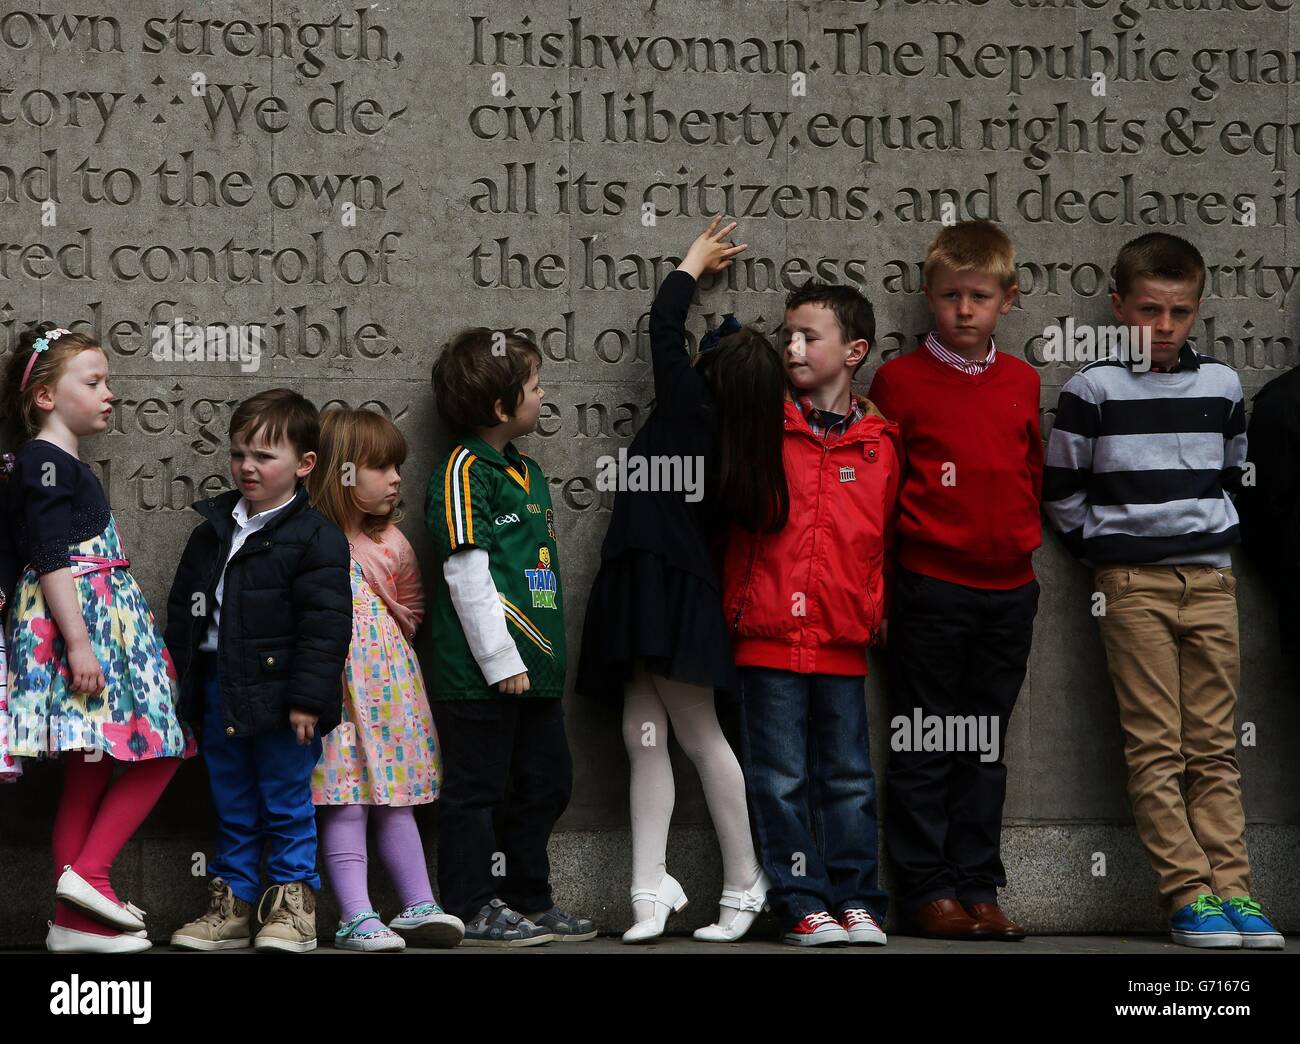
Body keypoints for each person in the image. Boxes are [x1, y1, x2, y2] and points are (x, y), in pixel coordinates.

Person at [1043, 232, 1283, 949]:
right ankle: (1186, 896)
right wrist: (1108, 554)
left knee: (1214, 745)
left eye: (1179, 312)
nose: (1164, 327)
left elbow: (1235, 470)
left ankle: (1234, 888)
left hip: (1210, 579)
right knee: (1157, 744)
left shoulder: (1220, 388)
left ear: (1197, 311)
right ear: (1119, 307)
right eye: (1148, 310)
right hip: (1131, 585)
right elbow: (1062, 490)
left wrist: (1210, 537)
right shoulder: (1093, 389)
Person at [577, 219, 785, 943]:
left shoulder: (693, 410)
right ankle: (650, 888)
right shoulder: (735, 437)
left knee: (698, 739)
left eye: (705, 357)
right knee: (646, 739)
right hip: (650, 586)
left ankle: (744, 876)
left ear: (711, 377)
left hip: (663, 591)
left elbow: (663, 324)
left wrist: (691, 263)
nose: (691, 360)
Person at [868, 219, 1043, 941]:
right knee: (925, 738)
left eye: (978, 296)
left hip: (1009, 589)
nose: (963, 310)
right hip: (929, 587)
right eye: (948, 296)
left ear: (1007, 297)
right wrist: (878, 587)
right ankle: (927, 888)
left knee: (984, 743)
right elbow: (879, 491)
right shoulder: (899, 380)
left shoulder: (1023, 380)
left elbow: (1031, 472)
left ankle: (978, 883)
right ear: (927, 296)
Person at [1, 324, 192, 954]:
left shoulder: (59, 461)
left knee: (88, 771)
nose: (109, 393)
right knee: (161, 748)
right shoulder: (45, 462)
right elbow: (51, 555)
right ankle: (92, 878)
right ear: (46, 398)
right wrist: (80, 644)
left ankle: (72, 925)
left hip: (103, 622)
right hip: (83, 627)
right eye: (94, 381)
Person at [722, 277, 900, 947]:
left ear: (854, 351)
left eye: (808, 336)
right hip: (766, 634)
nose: (791, 347)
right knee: (780, 778)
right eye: (786, 335)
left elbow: (878, 539)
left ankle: (858, 899)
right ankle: (800, 901)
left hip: (840, 638)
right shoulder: (766, 423)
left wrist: (872, 606)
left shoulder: (881, 442)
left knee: (850, 779)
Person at [166, 389, 352, 953]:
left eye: (264, 456)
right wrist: (183, 688)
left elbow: (325, 626)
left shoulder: (316, 536)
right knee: (232, 800)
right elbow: (184, 612)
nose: (248, 466)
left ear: (305, 464)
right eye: (239, 453)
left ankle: (294, 909)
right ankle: (233, 907)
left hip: (283, 698)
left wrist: (307, 699)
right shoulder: (213, 529)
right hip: (221, 686)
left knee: (285, 798)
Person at [425, 328, 595, 946]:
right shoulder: (465, 468)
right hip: (478, 678)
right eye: (533, 386)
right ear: (501, 408)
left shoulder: (527, 471)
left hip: (538, 673)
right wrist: (498, 658)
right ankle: (471, 903)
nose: (543, 393)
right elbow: (466, 569)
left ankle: (529, 895)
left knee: (547, 784)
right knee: (476, 792)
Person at [307, 407, 463, 951]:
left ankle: (418, 902)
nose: (396, 478)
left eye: (397, 466)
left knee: (397, 799)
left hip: (389, 692)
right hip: (334, 696)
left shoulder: (391, 542)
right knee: (346, 798)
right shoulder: (311, 540)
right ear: (341, 472)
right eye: (381, 467)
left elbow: (412, 606)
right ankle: (355, 914)